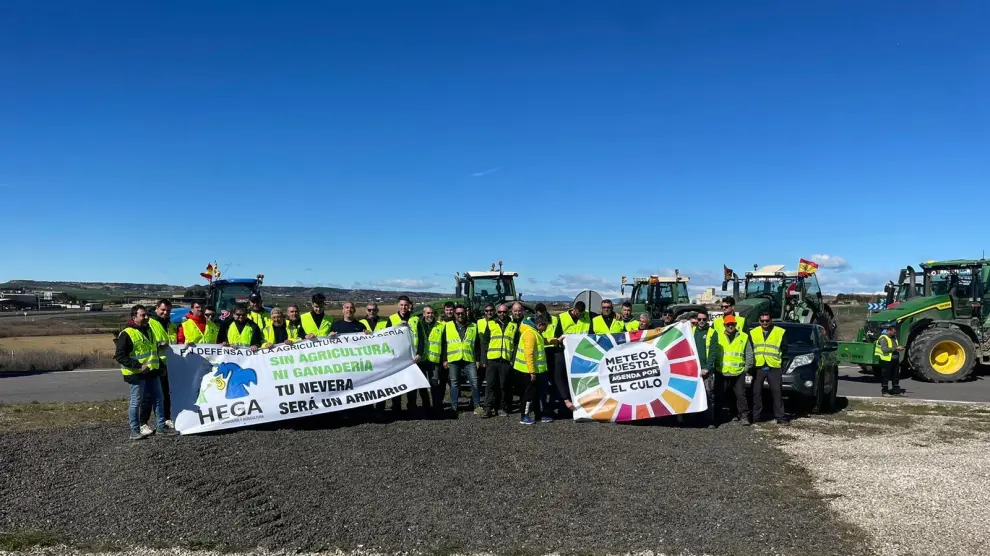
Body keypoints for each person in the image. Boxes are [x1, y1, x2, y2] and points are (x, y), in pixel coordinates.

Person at [114, 305, 171, 440]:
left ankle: (161, 427)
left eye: (147, 315)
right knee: (136, 402)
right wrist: (138, 365)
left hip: (152, 372)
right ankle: (135, 431)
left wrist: (159, 347)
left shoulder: (149, 330)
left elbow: (149, 349)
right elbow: (120, 356)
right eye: (143, 315)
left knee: (159, 399)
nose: (146, 317)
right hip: (136, 374)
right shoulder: (127, 333)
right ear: (134, 317)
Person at [377, 295, 420, 415]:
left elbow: (421, 338)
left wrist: (419, 353)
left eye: (406, 305)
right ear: (398, 305)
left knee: (412, 383)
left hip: (412, 357)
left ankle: (412, 406)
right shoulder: (392, 318)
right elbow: (386, 337)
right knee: (397, 383)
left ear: (409, 306)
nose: (403, 307)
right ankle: (396, 407)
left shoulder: (415, 319)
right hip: (398, 357)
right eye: (401, 305)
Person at [439, 303, 482, 415]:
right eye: (458, 313)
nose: (460, 315)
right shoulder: (447, 326)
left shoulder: (473, 326)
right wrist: (444, 359)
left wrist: (477, 359)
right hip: (453, 359)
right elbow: (444, 344)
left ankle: (477, 406)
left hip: (469, 359)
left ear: (466, 313)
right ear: (454, 313)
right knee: (454, 384)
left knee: (475, 382)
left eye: (462, 313)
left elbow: (477, 345)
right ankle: (454, 406)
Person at [142, 299, 177, 433]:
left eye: (168, 310)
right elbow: (146, 342)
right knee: (149, 395)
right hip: (154, 364)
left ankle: (166, 418)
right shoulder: (150, 324)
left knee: (166, 393)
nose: (165, 312)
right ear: (156, 308)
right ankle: (143, 423)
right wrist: (158, 346)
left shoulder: (171, 325)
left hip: (169, 364)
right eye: (163, 310)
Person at [750, 312, 789, 425]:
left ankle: (780, 417)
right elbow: (750, 350)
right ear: (759, 321)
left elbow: (785, 350)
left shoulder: (780, 332)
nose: (765, 323)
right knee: (756, 392)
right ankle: (756, 417)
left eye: (767, 320)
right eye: (762, 321)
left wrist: (783, 365)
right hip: (759, 366)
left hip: (774, 366)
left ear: (771, 320)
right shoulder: (753, 332)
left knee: (777, 392)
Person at [479, 303, 517, 417]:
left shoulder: (513, 325)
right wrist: (484, 360)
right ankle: (488, 409)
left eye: (504, 312)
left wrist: (513, 359)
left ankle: (502, 408)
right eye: (500, 312)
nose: (502, 314)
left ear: (508, 312)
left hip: (505, 360)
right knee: (490, 385)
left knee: (503, 386)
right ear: (497, 312)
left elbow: (515, 344)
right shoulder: (490, 324)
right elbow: (485, 343)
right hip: (492, 360)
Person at [514, 315, 552, 425]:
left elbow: (541, 342)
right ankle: (524, 416)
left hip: (535, 370)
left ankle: (538, 414)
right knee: (529, 395)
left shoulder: (535, 332)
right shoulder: (530, 334)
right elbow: (528, 354)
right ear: (540, 325)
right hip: (528, 371)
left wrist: (555, 340)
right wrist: (532, 372)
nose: (545, 330)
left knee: (536, 394)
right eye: (545, 327)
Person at [717, 315, 754, 425]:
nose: (730, 326)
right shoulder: (718, 336)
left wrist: (746, 368)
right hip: (722, 371)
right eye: (728, 324)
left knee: (740, 395)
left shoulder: (743, 337)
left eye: (732, 324)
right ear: (724, 325)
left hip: (738, 372)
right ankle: (718, 417)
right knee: (720, 395)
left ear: (736, 325)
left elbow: (749, 354)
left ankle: (744, 417)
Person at [535, 303, 568, 414]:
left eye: (543, 313)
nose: (541, 316)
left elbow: (559, 333)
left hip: (553, 352)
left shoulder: (555, 319)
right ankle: (542, 405)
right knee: (543, 381)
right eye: (539, 314)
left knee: (556, 379)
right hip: (541, 352)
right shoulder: (533, 321)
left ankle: (554, 403)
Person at [693, 309, 720, 428]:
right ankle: (696, 419)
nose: (701, 321)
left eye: (704, 319)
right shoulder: (691, 331)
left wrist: (707, 368)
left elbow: (713, 352)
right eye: (699, 319)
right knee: (695, 395)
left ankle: (710, 421)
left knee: (709, 394)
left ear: (707, 319)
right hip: (693, 369)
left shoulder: (712, 332)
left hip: (706, 370)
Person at [875, 325, 905, 397]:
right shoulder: (883, 338)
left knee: (896, 376)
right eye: (893, 332)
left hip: (895, 359)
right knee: (886, 376)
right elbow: (884, 349)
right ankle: (885, 391)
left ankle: (896, 389)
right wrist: (896, 348)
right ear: (889, 331)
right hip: (887, 360)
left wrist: (899, 348)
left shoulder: (894, 338)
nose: (895, 334)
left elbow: (894, 346)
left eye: (895, 333)